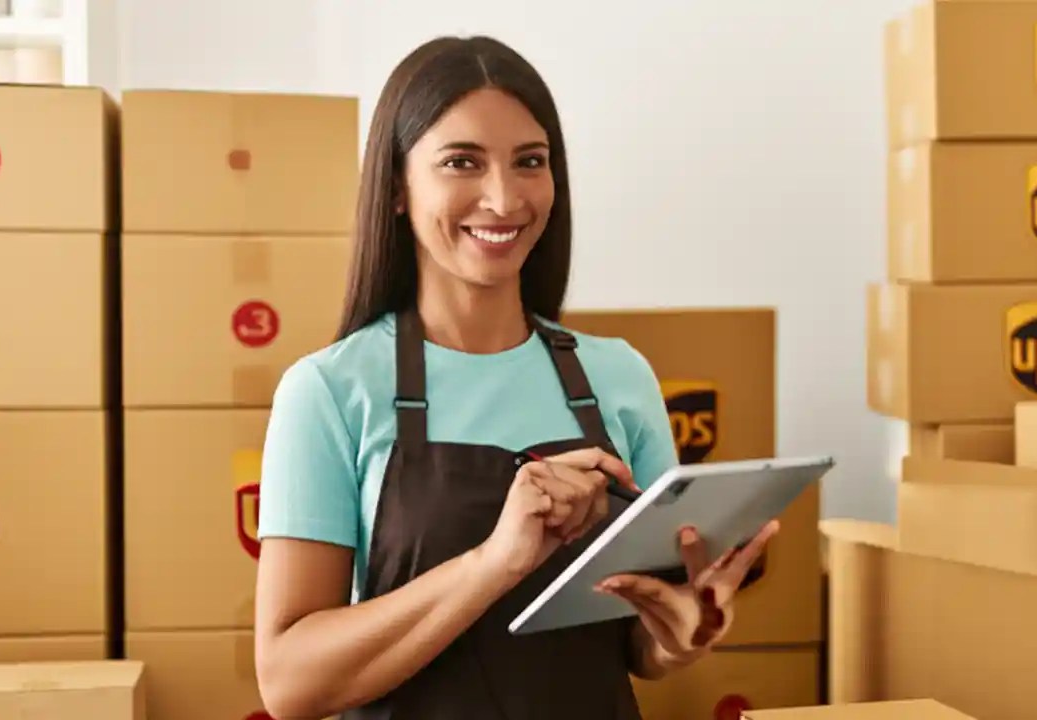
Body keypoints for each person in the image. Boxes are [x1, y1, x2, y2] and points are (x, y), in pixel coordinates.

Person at [252, 34, 781, 720]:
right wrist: (495, 562)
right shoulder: (328, 392)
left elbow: (635, 649)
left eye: (529, 162)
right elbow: (290, 684)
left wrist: (678, 640)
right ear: (396, 189)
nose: (503, 198)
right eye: (461, 162)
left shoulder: (617, 376)